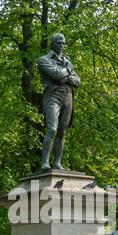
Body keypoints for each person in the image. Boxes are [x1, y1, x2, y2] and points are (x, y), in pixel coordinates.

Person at [37, 33, 81, 171]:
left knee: (62, 131)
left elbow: (77, 81)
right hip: (53, 96)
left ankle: (57, 163)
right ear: (52, 43)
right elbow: (56, 75)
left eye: (63, 43)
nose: (62, 45)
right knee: (52, 129)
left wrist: (65, 77)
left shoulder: (67, 60)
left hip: (67, 96)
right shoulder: (44, 60)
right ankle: (45, 163)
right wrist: (68, 70)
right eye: (59, 42)